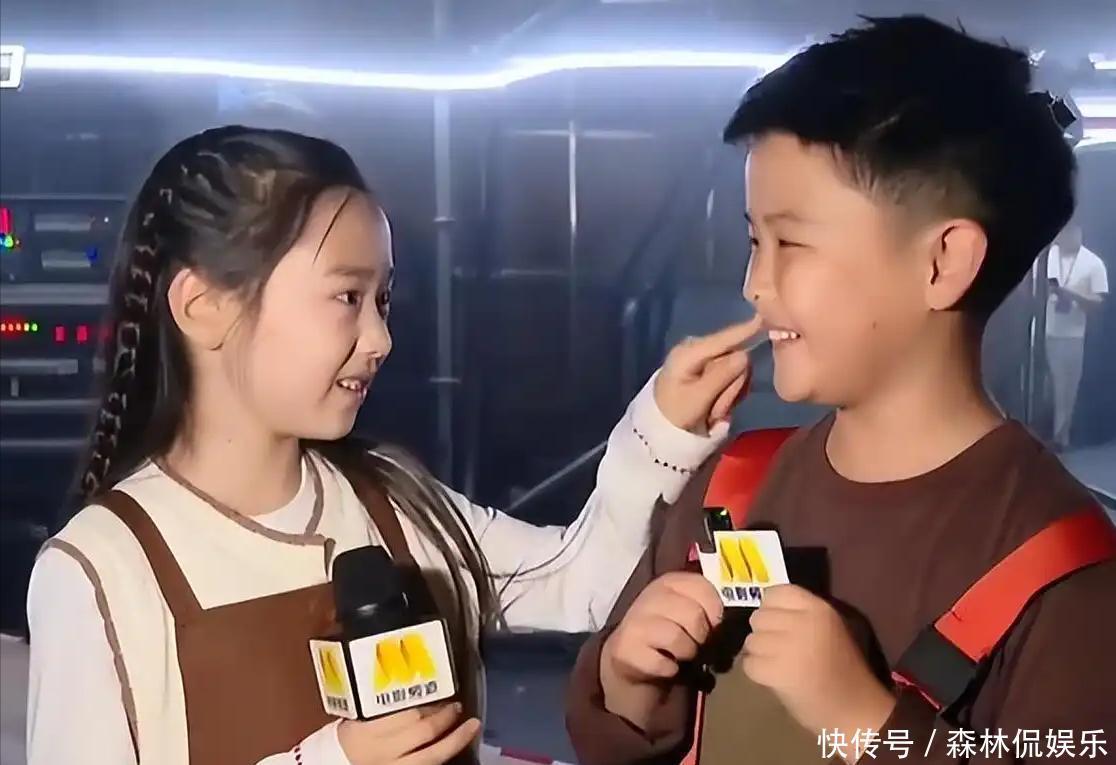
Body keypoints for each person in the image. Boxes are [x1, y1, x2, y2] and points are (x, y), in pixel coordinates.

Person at [26, 127, 758, 765]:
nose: (379, 339)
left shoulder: (391, 500)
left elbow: (583, 582)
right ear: (204, 305)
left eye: (382, 300)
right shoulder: (101, 567)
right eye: (348, 297)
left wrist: (663, 428)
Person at [566, 16, 1116, 765]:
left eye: (790, 242)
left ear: (943, 262)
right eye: (755, 240)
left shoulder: (1067, 574)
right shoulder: (731, 486)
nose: (754, 284)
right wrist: (630, 682)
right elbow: (625, 737)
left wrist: (864, 719)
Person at [1045, 221, 1108, 449]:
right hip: (1048, 330)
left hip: (1073, 335)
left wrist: (1070, 294)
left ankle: (1061, 436)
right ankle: (1054, 432)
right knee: (1055, 384)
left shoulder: (1093, 263)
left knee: (1067, 386)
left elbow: (1099, 302)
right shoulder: (1049, 256)